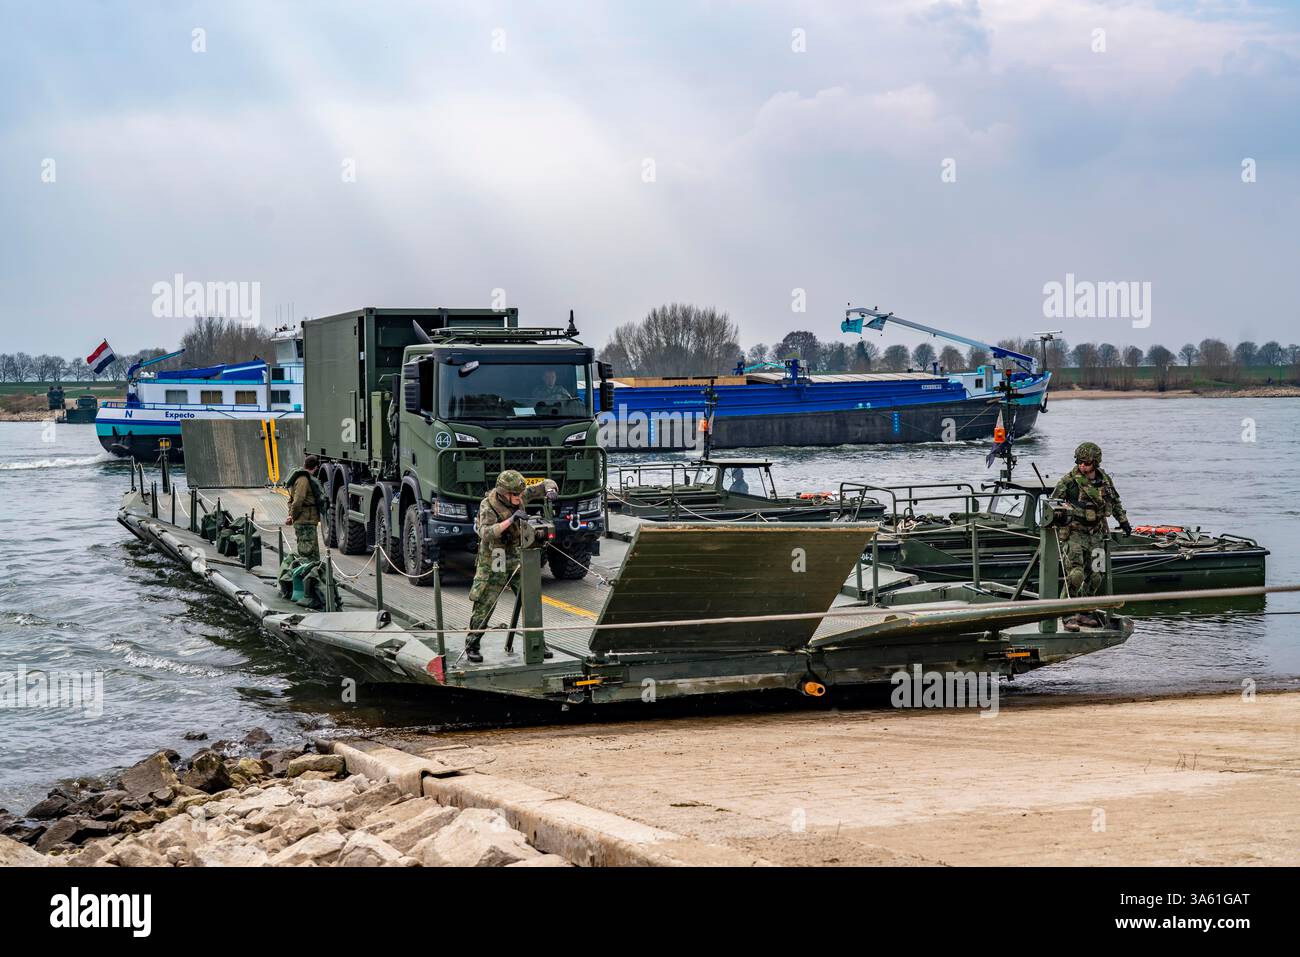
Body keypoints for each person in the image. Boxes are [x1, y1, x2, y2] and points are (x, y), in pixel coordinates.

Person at [465, 469, 558, 663]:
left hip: (515, 555)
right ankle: (472, 643)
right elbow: (486, 533)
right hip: (494, 556)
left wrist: (550, 490)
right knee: (486, 601)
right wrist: (511, 520)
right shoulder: (488, 505)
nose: (518, 497)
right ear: (503, 492)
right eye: (514, 495)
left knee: (529, 598)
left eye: (519, 494)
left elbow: (544, 483)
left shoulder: (520, 494)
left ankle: (537, 642)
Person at [1052, 442, 1132, 631]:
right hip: (1075, 533)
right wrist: (1060, 516)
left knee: (1095, 577)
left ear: (1095, 463)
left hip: (1096, 533)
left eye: (1086, 463)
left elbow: (1115, 502)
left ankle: (1085, 612)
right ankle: (1067, 615)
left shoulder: (1104, 480)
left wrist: (1124, 521)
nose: (1082, 466)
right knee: (1076, 575)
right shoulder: (1069, 481)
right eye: (1080, 462)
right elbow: (1052, 502)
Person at [284, 454, 326, 561]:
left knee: (313, 554)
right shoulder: (304, 479)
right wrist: (292, 517)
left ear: (304, 464)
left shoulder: (303, 478)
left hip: (308, 521)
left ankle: (313, 576)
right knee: (306, 554)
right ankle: (306, 576)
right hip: (305, 521)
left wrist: (291, 515)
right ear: (316, 468)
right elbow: (298, 501)